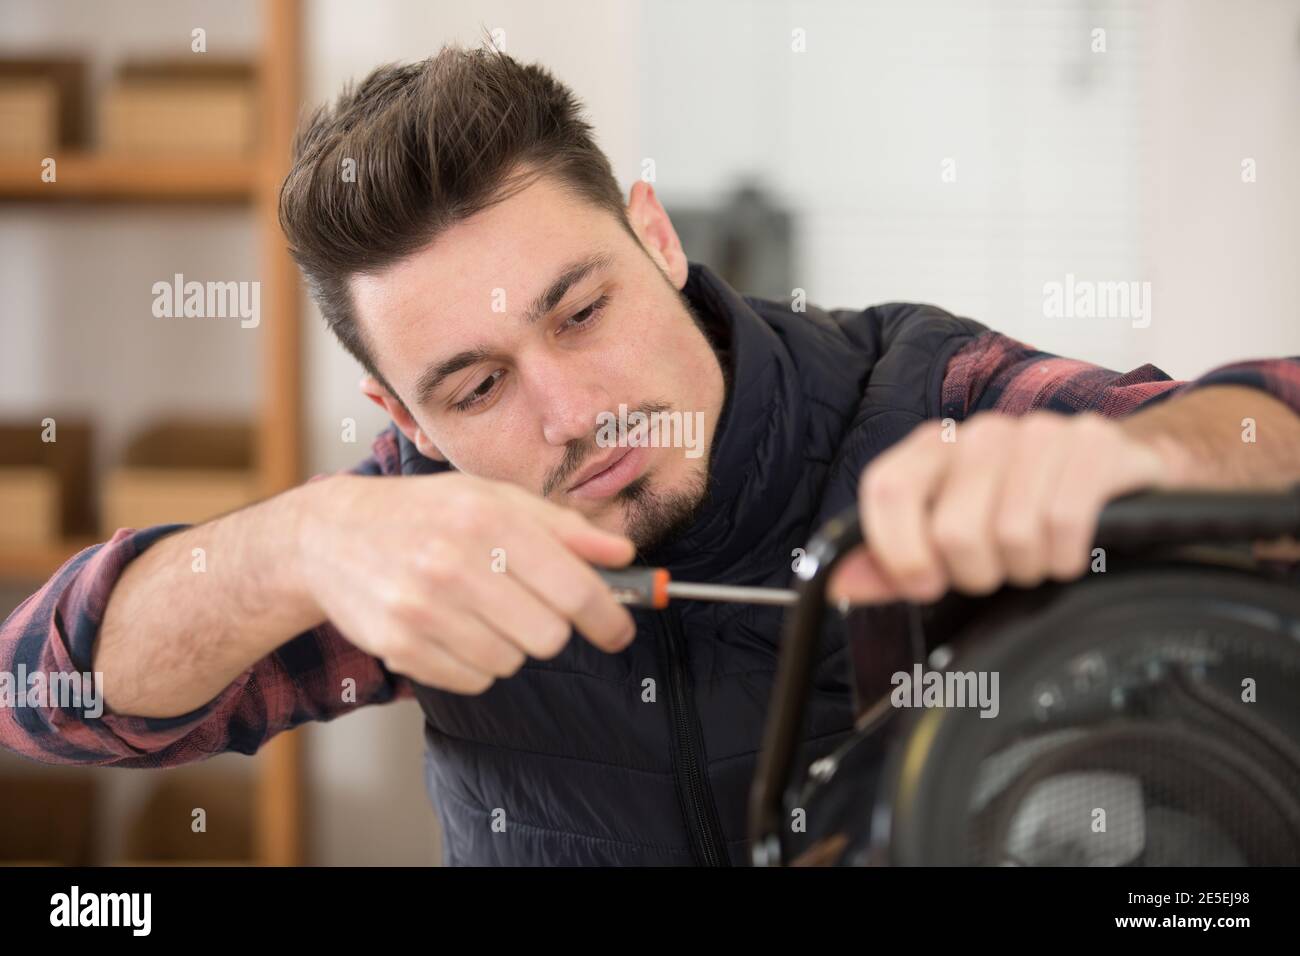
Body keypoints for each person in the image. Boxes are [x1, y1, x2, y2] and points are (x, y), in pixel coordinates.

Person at [3, 44, 1298, 866]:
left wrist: (1159, 467)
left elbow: (1268, 437)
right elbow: (41, 704)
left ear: (655, 238)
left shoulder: (927, 394)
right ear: (397, 412)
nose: (574, 414)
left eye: (582, 310)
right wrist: (292, 545)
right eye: (475, 384)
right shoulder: (410, 540)